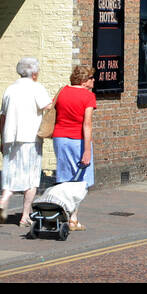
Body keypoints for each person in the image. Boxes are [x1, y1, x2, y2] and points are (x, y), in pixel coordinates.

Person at [0, 57, 51, 229]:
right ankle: (25, 216)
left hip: (10, 138)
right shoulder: (37, 88)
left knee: (12, 173)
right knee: (31, 178)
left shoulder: (10, 89)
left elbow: (2, 118)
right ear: (34, 73)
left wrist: (2, 140)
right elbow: (49, 108)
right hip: (30, 139)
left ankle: (5, 198)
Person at [51, 64, 97, 230]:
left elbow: (52, 109)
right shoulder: (88, 96)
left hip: (59, 138)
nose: (94, 81)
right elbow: (87, 124)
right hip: (77, 141)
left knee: (65, 179)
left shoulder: (63, 91)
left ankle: (65, 215)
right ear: (85, 81)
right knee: (81, 181)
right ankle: (72, 218)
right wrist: (87, 150)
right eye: (92, 78)